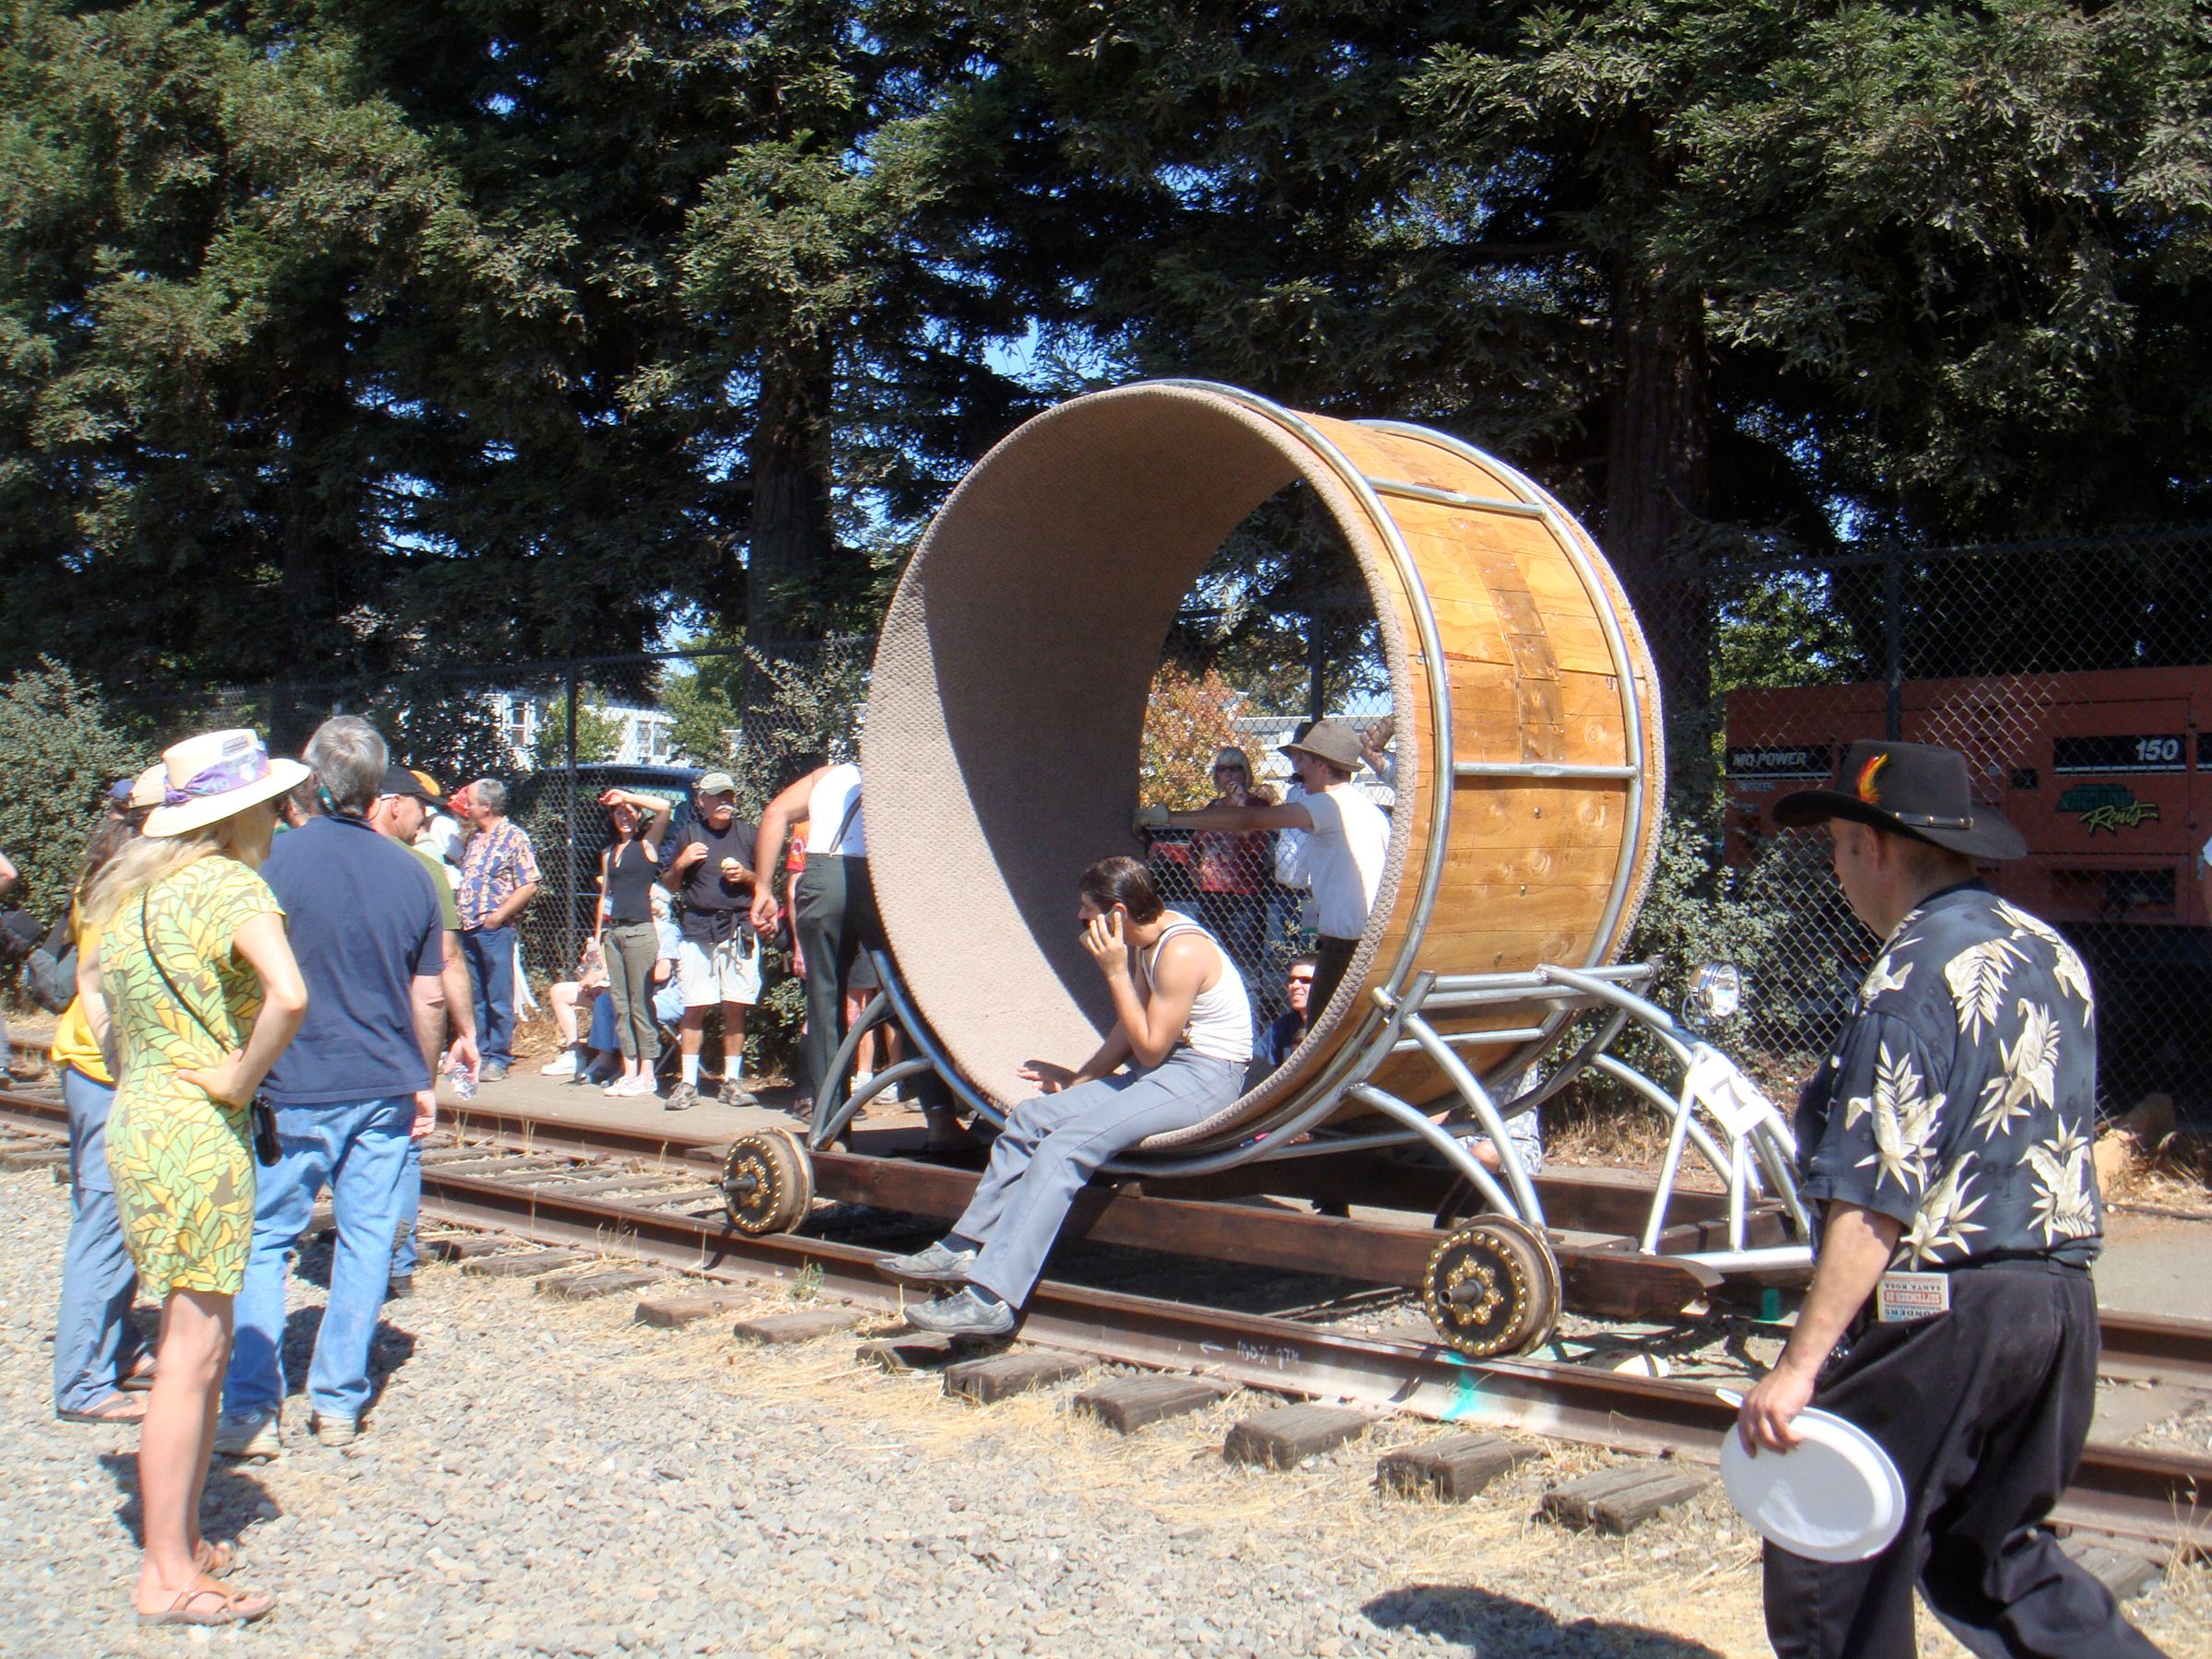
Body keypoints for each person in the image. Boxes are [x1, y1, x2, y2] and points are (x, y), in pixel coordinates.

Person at [1737, 740, 2165, 1658]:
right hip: (2057, 1304)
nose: (1840, 871)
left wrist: (1800, 1366)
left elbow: (1874, 1198)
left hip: (1940, 1301)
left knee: (1825, 1550)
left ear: (1876, 849)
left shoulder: (1906, 978)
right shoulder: (2049, 951)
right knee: (1994, 1557)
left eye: (1841, 848)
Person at [76, 727, 308, 1627]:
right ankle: (167, 1573)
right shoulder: (228, 884)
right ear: (240, 810)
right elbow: (288, 994)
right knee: (194, 1352)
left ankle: (180, 1539)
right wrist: (237, 1076)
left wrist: (143, 1058)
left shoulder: (133, 893)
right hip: (199, 1133)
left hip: (138, 1119)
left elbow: (90, 986)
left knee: (189, 1344)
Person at [877, 857, 1252, 1336]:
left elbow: (1153, 1049)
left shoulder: (1180, 951)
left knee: (1065, 1147)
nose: (1079, 917)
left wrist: (1114, 973)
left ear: (1117, 911)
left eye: (1086, 909)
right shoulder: (1146, 940)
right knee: (1032, 1119)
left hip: (1204, 1078)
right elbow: (1128, 1028)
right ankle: (964, 1246)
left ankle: (992, 1298)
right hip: (1163, 1075)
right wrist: (1083, 1081)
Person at [217, 718, 446, 1458]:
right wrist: (425, 1079)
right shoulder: (413, 873)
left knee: (262, 1244)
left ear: (309, 781)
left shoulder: (269, 866)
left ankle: (251, 1410)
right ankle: (338, 1403)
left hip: (292, 1085)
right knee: (368, 1239)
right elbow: (429, 997)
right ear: (378, 790)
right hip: (383, 1082)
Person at [1142, 718, 1387, 1019]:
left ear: (1322, 765)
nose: (1297, 768)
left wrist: (1170, 819)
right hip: (1376, 942)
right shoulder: (1371, 811)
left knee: (1323, 1034)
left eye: (1303, 759)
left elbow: (1250, 820)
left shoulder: (1329, 805)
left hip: (1346, 945)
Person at [51, 813, 154, 1424]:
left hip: (93, 1068)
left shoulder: (98, 886)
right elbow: (99, 991)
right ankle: (83, 1382)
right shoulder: (119, 896)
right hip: (104, 1072)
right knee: (104, 1229)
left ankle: (116, 1350)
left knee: (116, 1225)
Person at [368, 766, 480, 1297]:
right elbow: (446, 963)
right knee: (404, 1143)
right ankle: (396, 1264)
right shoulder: (422, 870)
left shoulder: (299, 856)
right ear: (394, 804)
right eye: (419, 807)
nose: (424, 818)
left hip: (328, 1036)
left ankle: (358, 1246)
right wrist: (466, 1031)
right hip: (399, 1035)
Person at [752, 758, 873, 1114]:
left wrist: (762, 888)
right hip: (876, 875)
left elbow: (775, 812)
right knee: (913, 992)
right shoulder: (904, 774)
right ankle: (941, 1119)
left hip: (824, 874)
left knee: (825, 1001)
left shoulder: (829, 775)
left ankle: (830, 1122)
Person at [663, 771, 761, 1110]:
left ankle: (732, 1082)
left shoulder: (749, 835)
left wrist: (747, 876)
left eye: (729, 796)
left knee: (736, 1006)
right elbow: (670, 885)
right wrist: (682, 862)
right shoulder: (688, 835)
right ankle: (688, 1084)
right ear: (700, 801)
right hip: (698, 930)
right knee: (694, 1007)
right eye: (717, 796)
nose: (724, 802)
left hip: (737, 930)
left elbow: (764, 883)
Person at [455, 778, 539, 1082]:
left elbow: (529, 883)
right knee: (475, 996)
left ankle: (498, 1057)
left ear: (487, 806)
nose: (467, 806)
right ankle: (480, 1052)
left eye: (472, 802)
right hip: (468, 928)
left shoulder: (514, 838)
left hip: (494, 930)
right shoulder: (475, 838)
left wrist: (497, 916)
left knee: (498, 996)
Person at [594, 787, 671, 1097]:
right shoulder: (609, 853)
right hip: (615, 933)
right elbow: (604, 897)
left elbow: (664, 807)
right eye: (618, 812)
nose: (624, 817)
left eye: (629, 812)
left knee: (640, 1003)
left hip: (641, 931)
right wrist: (597, 938)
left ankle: (647, 1073)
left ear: (638, 814)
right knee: (620, 1004)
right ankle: (628, 1070)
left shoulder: (647, 845)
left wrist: (625, 795)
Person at [1189, 747, 1275, 988]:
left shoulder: (1258, 806)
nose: (1229, 775)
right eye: (1222, 770)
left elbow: (1258, 844)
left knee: (1245, 965)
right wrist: (1196, 873)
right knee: (1210, 957)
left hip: (1244, 895)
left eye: (1235, 768)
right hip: (1212, 894)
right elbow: (1196, 846)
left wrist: (1241, 807)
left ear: (1245, 772)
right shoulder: (1213, 807)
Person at [1251, 952, 1320, 1078]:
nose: (1295, 986)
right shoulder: (1282, 1027)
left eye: (1305, 981)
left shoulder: (1332, 1022)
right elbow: (1257, 1062)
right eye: (1292, 980)